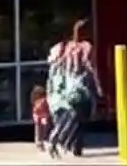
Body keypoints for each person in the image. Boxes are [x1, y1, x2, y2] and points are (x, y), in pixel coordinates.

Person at [46, 19, 103, 158]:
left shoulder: (63, 46)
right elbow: (91, 67)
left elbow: (53, 64)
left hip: (62, 85)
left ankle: (69, 143)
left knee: (69, 114)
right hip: (78, 85)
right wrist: (98, 86)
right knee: (78, 115)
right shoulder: (86, 47)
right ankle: (64, 141)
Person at [30, 85, 51, 151]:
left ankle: (39, 143)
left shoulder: (36, 101)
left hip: (38, 117)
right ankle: (41, 143)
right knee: (43, 131)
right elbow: (46, 109)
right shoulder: (43, 100)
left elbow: (35, 111)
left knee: (38, 131)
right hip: (43, 117)